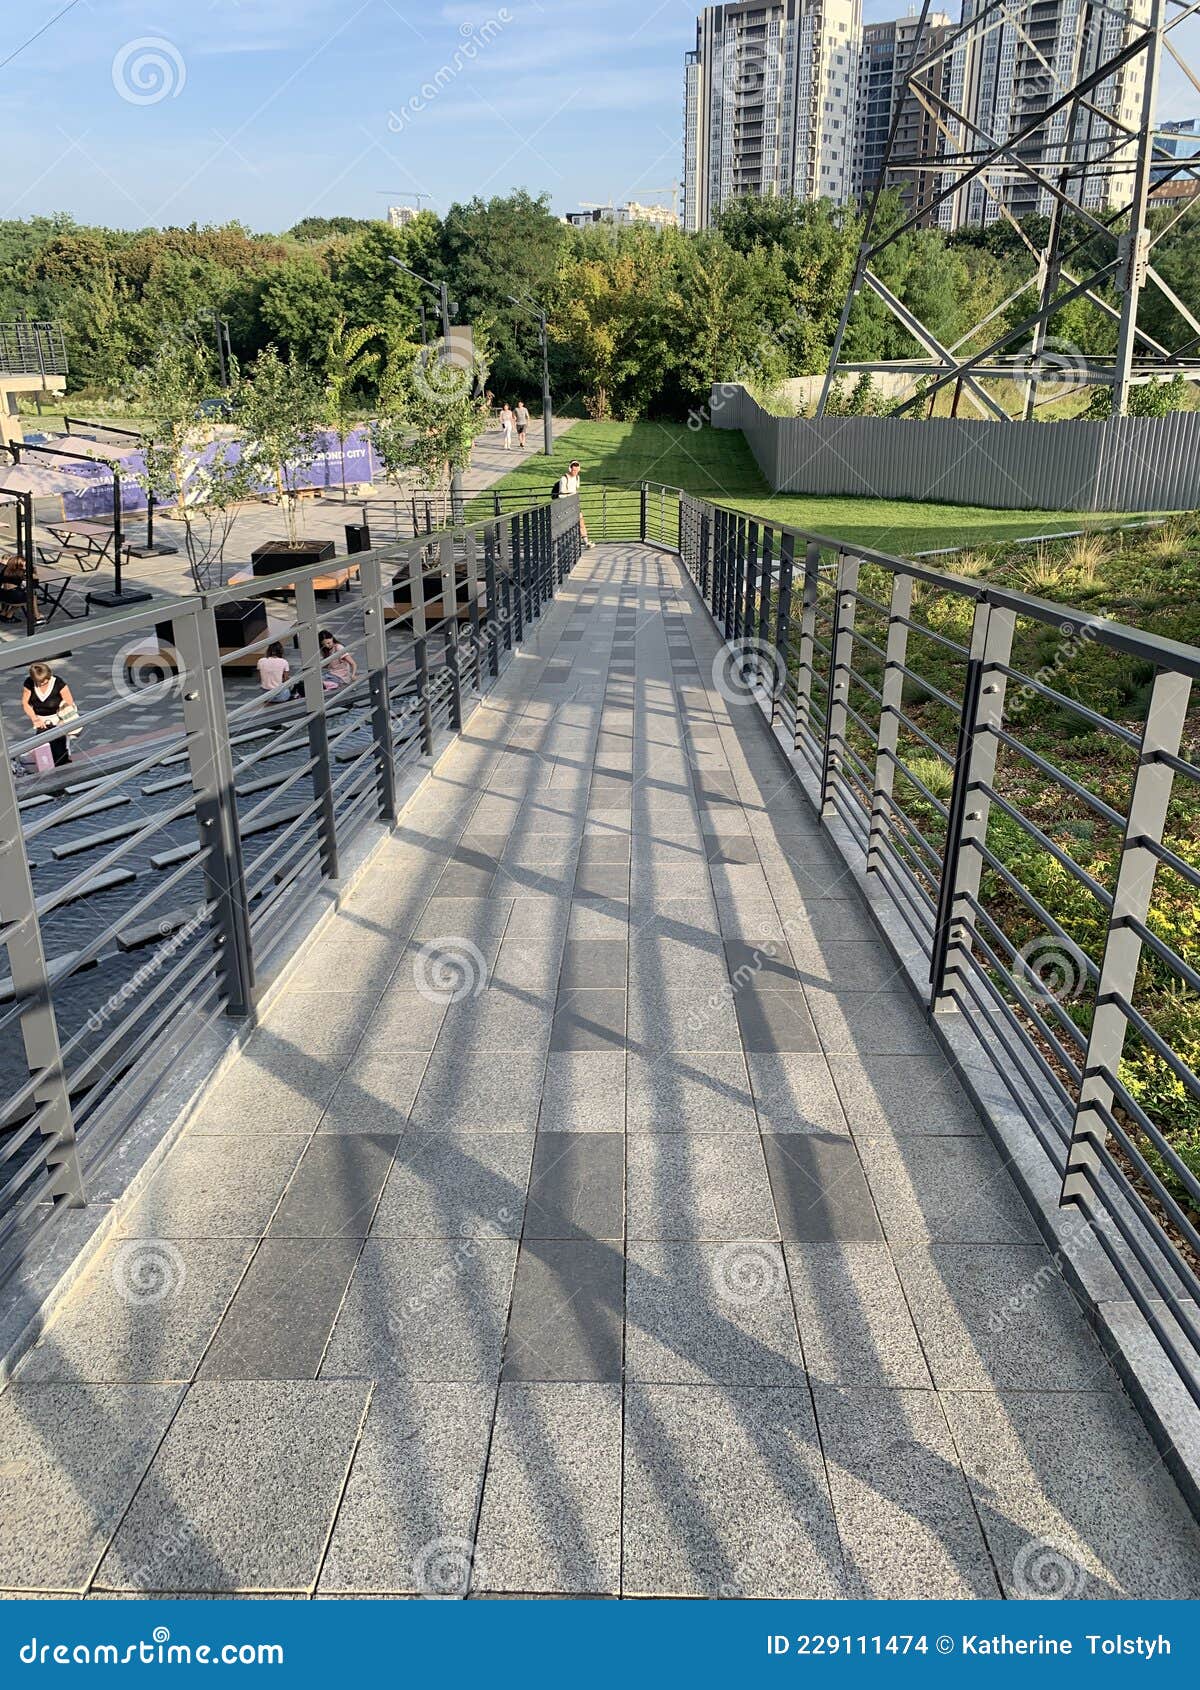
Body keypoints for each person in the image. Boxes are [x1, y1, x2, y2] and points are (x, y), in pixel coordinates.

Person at [21, 661, 76, 768]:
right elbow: (25, 703)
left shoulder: (58, 682)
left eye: (44, 681)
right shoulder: (29, 683)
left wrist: (62, 720)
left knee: (59, 755)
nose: (42, 684)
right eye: (39, 682)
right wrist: (35, 719)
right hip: (41, 721)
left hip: (58, 719)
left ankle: (63, 763)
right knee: (43, 753)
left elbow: (69, 702)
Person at [557, 460, 594, 548]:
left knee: (581, 522)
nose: (575, 472)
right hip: (566, 504)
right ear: (570, 469)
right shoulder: (564, 479)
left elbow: (576, 489)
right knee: (567, 525)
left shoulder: (577, 477)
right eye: (574, 470)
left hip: (574, 504)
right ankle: (566, 544)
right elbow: (561, 494)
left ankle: (586, 542)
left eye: (577, 470)